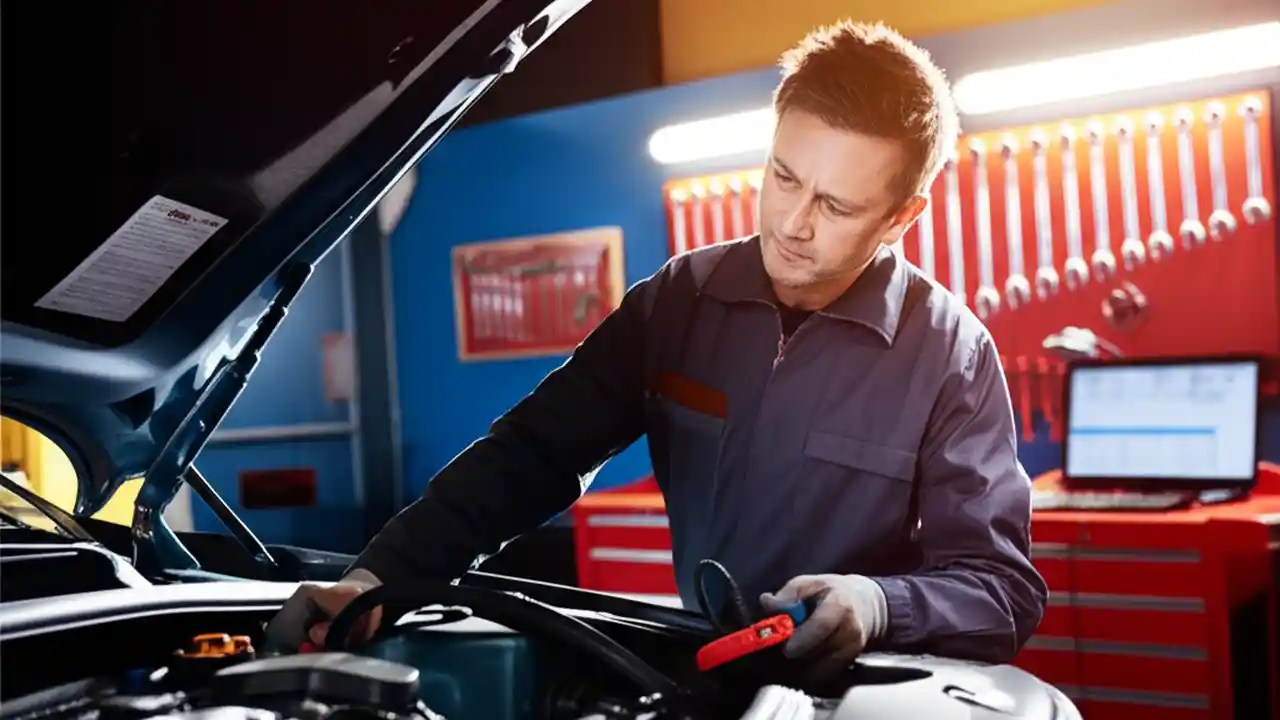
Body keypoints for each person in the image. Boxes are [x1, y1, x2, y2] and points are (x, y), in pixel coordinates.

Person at [268, 19, 1047, 675]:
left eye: (836, 205)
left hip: (872, 693)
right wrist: (377, 578)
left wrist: (879, 606)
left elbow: (1001, 591)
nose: (792, 223)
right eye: (783, 177)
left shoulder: (951, 353)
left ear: (900, 218)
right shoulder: (681, 300)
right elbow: (531, 455)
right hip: (709, 674)